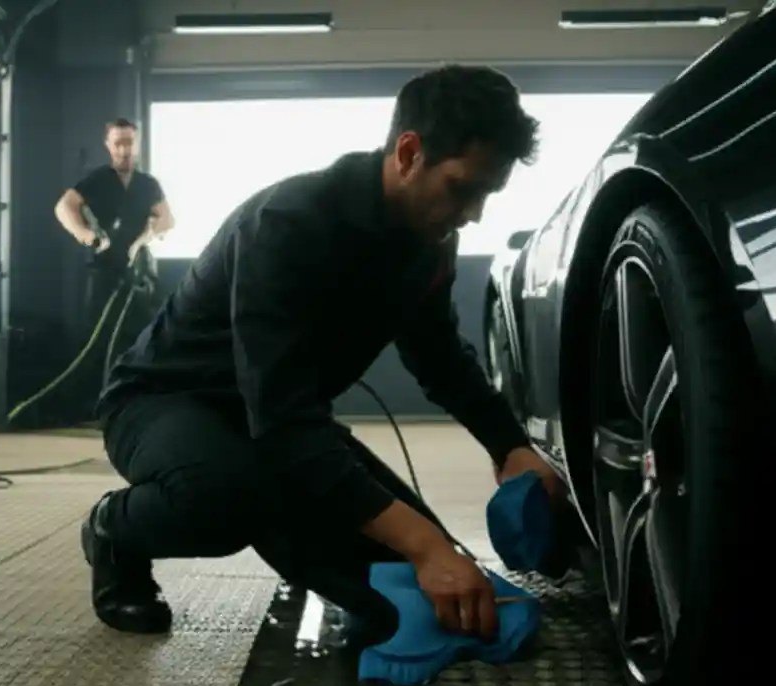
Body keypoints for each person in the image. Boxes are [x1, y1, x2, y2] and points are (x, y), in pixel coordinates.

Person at [83, 65, 568, 643]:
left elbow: (440, 359)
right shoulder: (288, 224)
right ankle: (112, 529)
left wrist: (509, 446)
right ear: (409, 152)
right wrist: (427, 544)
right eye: (463, 189)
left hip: (274, 421)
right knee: (225, 497)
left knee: (416, 598)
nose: (472, 214)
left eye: (488, 194)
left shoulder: (429, 241)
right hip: (164, 404)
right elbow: (285, 425)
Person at [54, 118, 175, 408]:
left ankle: (138, 401)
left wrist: (144, 238)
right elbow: (64, 207)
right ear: (108, 146)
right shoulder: (97, 180)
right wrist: (86, 236)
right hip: (103, 268)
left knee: (142, 333)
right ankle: (98, 404)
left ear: (137, 145)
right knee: (97, 336)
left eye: (129, 143)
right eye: (118, 143)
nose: (124, 150)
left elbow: (167, 220)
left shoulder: (148, 185)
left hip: (138, 272)